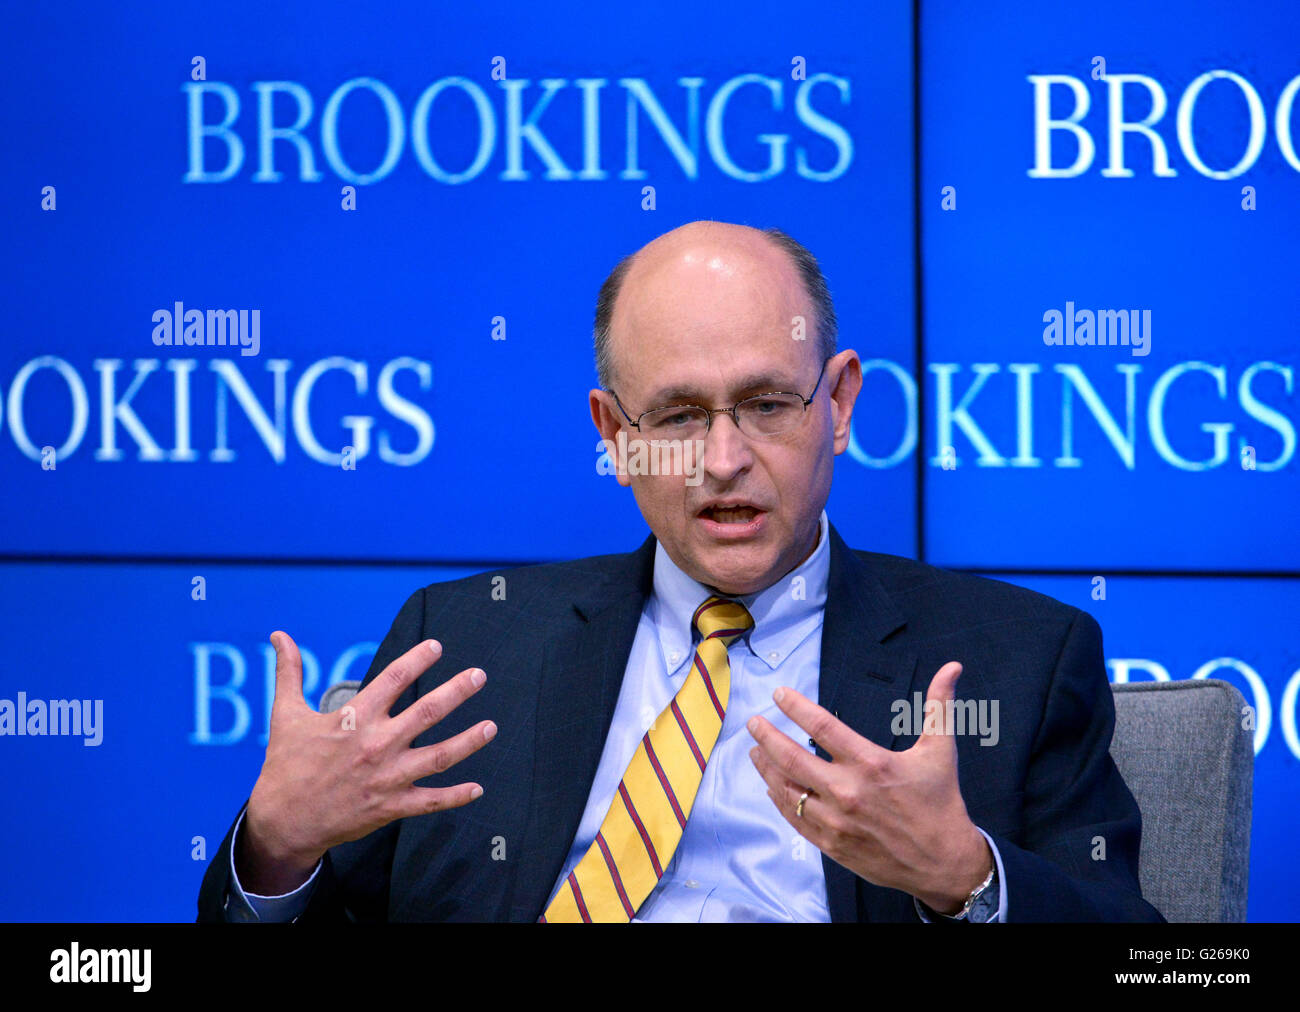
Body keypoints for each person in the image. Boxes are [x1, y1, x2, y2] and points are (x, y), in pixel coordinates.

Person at [197, 221, 1163, 923]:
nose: (724, 458)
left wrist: (967, 878)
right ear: (615, 439)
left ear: (839, 405)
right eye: (676, 418)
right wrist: (277, 853)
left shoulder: (1015, 661)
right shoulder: (466, 642)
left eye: (767, 405)